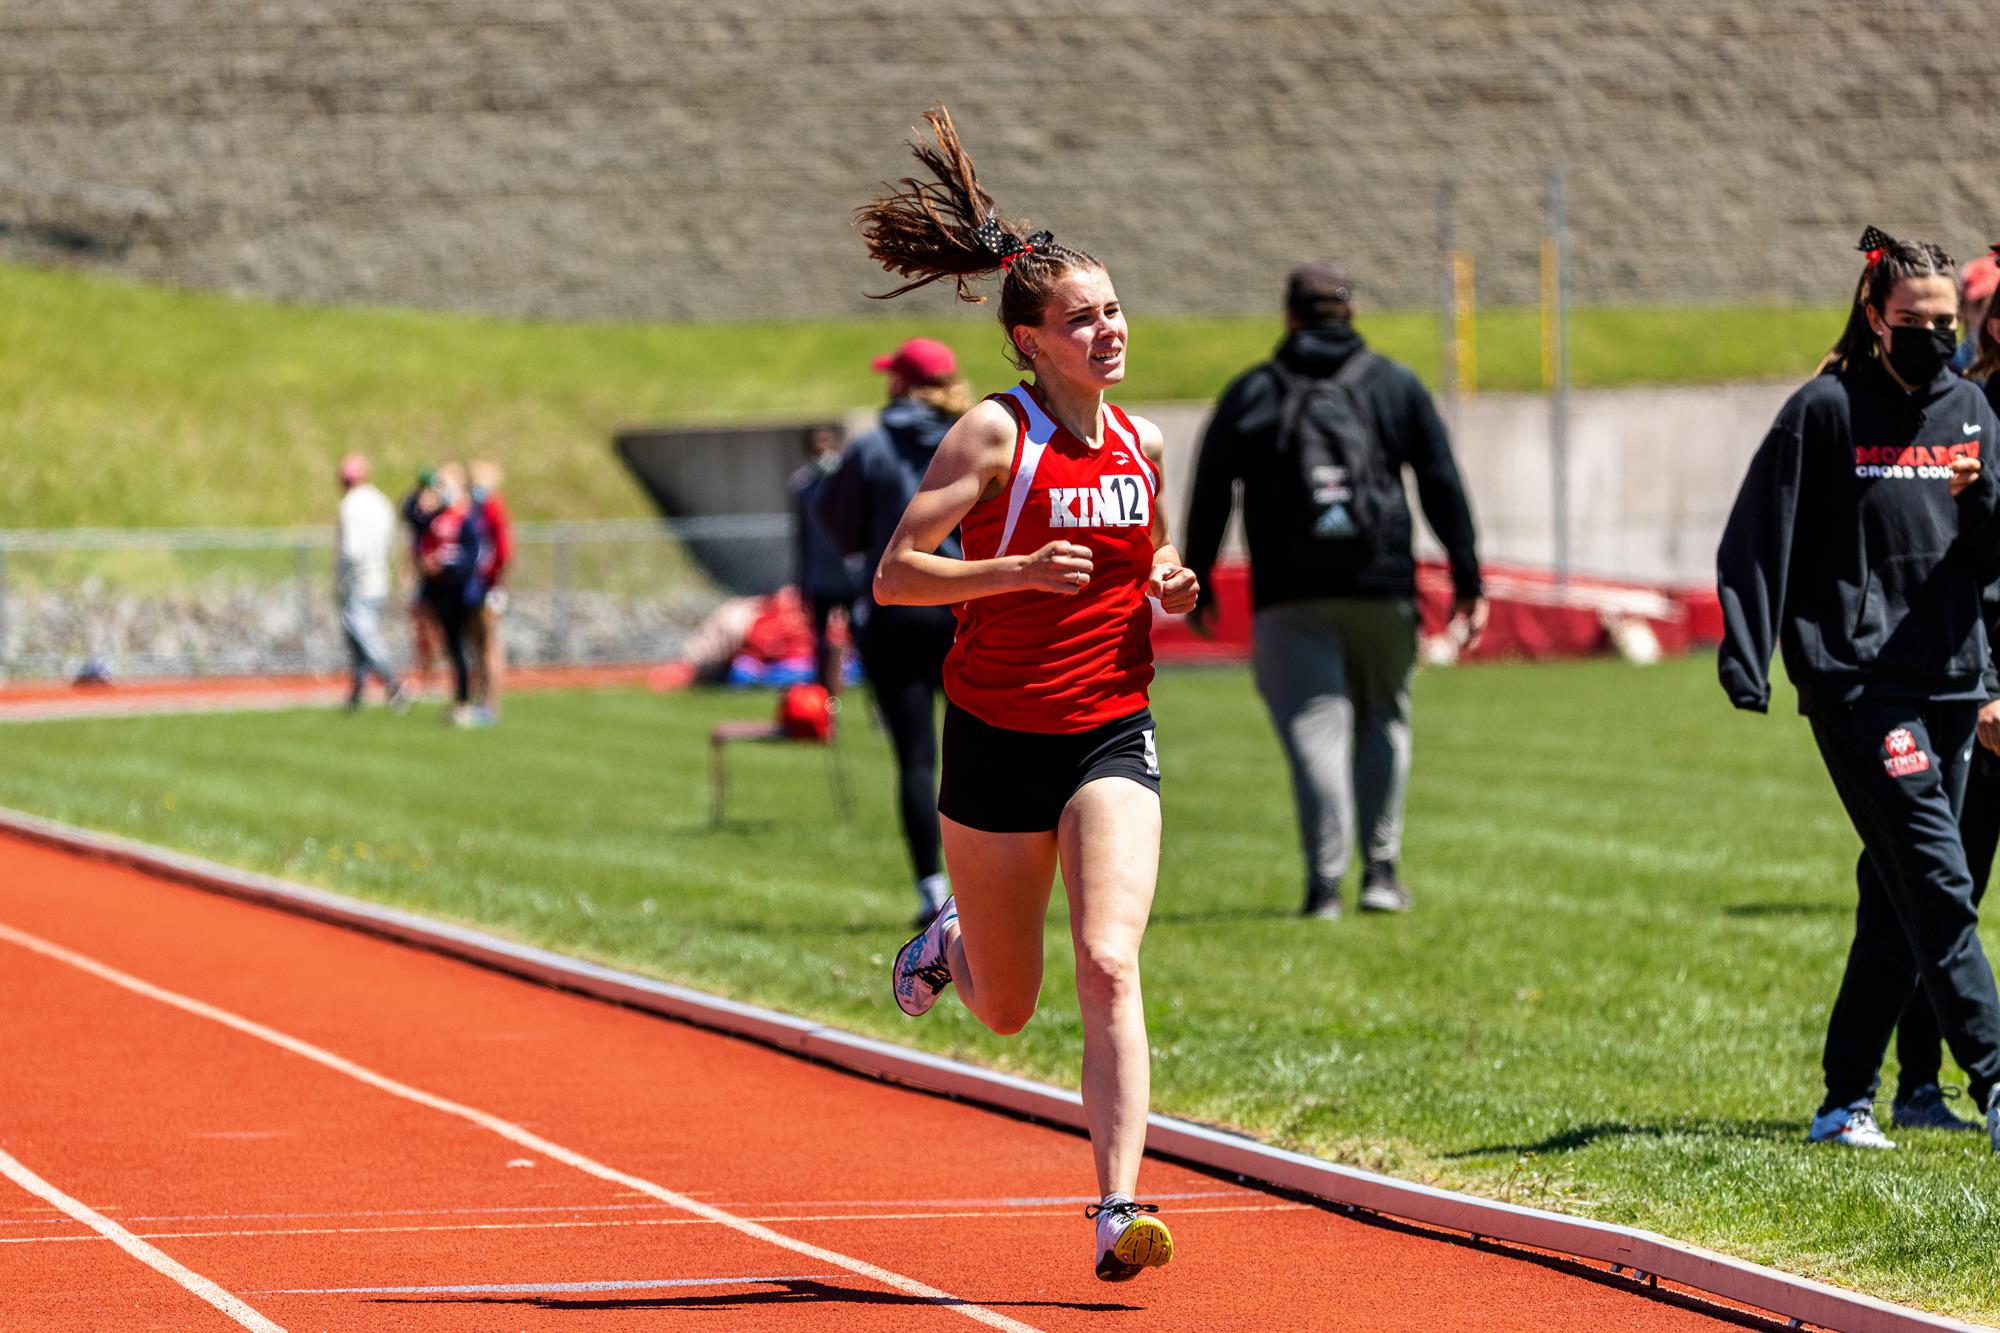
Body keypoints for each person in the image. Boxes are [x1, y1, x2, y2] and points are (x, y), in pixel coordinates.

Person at [859, 106, 1198, 1282]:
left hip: (1108, 729)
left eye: (1113, 310)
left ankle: (1118, 1206)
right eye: (1081, 319)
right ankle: (953, 936)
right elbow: (896, 574)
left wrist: (1165, 576)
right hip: (994, 738)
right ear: (1029, 341)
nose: (1108, 331)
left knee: (1108, 959)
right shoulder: (991, 439)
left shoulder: (1143, 443)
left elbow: (1142, 552)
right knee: (1005, 1008)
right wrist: (1010, 571)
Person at [1717, 227, 2000, 1154]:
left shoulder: (1971, 411)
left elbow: (1994, 559)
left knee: (1897, 893)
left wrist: (1982, 503)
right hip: (1860, 681)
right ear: (1876, 315)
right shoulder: (1825, 410)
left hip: (1954, 679)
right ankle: (1996, 1078)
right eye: (1915, 319)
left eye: (1947, 321)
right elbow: (1757, 534)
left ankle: (1844, 1101)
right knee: (1939, 879)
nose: (1935, 335)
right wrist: (1749, 653)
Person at [1181, 262, 1486, 920]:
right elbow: (1441, 481)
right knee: (1384, 720)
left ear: (1290, 316)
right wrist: (1468, 576)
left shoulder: (1252, 392)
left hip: (1288, 593)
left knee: (1315, 730)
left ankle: (1324, 888)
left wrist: (1199, 579)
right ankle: (1381, 872)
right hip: (1383, 585)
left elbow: (1210, 491)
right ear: (1351, 313)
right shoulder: (1395, 384)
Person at [1890, 247, 2000, 1132]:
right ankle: (1920, 1081)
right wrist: (1991, 683)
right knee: (1945, 886)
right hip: (1978, 687)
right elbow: (1969, 566)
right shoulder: (1967, 406)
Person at [811, 337, 973, 926]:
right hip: (966, 608)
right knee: (978, 757)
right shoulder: (978, 438)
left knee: (916, 759)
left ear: (900, 383)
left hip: (897, 611)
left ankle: (932, 892)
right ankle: (984, 892)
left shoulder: (872, 446)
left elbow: (836, 522)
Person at [789, 426, 862, 695]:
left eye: (827, 444)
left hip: (851, 575)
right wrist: (801, 579)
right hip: (819, 577)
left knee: (862, 636)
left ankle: (876, 699)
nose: (822, 451)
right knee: (819, 640)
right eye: (816, 446)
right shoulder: (802, 486)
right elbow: (801, 536)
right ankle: (823, 695)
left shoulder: (850, 480)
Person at [333, 453, 408, 712]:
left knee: (363, 635)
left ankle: (393, 684)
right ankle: (358, 690)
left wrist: (346, 578)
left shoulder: (350, 505)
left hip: (358, 581)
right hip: (378, 577)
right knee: (358, 637)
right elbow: (390, 542)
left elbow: (351, 550)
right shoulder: (380, 501)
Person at [416, 463, 487, 727]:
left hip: (462, 591)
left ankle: (472, 701)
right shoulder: (437, 517)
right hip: (441, 590)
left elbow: (473, 556)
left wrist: (446, 564)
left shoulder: (466, 517)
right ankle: (462, 699)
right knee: (453, 646)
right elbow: (414, 520)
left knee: (468, 646)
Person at [466, 460, 513, 725]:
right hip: (477, 585)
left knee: (490, 644)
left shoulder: (494, 509)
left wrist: (492, 577)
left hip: (490, 586)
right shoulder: (478, 509)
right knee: (478, 644)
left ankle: (491, 704)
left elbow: (503, 552)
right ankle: (481, 697)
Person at [400, 470, 444, 691]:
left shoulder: (442, 515)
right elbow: (412, 540)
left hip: (439, 576)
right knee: (421, 623)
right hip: (422, 574)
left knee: (437, 626)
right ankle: (425, 670)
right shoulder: (415, 514)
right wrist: (408, 567)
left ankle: (437, 671)